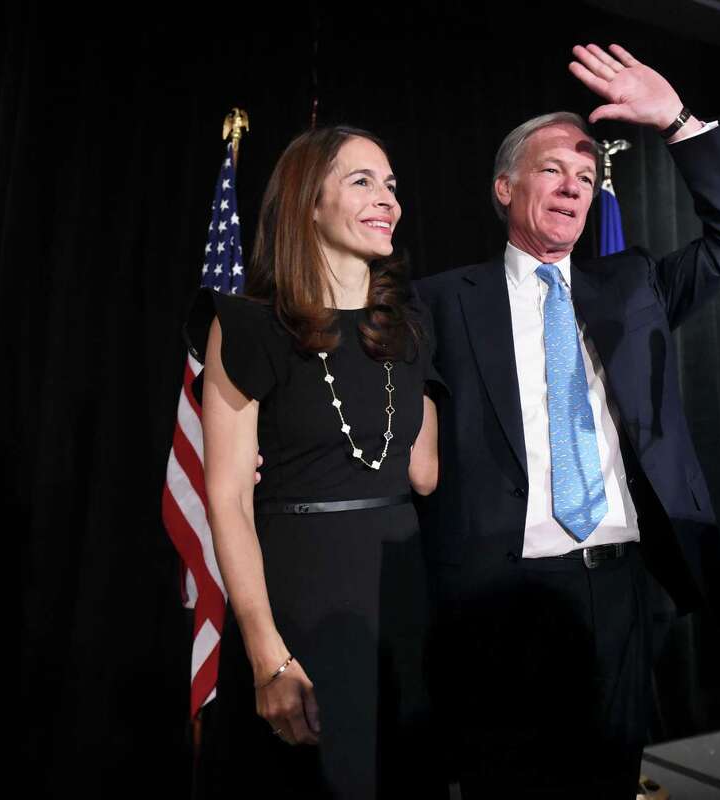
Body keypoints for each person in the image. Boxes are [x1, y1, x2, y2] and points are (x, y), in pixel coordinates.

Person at [415, 43, 720, 798]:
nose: (574, 187)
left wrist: (677, 122)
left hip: (619, 589)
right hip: (497, 595)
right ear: (505, 187)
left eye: (586, 176)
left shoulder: (634, 283)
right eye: (553, 170)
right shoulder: (441, 301)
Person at [187, 126, 447, 798]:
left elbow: (423, 474)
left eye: (391, 184)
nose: (387, 199)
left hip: (398, 598)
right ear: (308, 201)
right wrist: (267, 656)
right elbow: (227, 500)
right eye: (362, 181)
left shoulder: (410, 327)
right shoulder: (248, 326)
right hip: (298, 596)